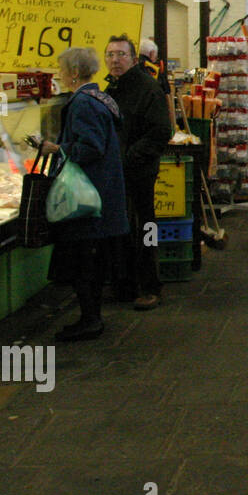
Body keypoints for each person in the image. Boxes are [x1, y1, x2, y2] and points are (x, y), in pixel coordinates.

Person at [39, 48, 129, 341]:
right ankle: (92, 317)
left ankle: (90, 320)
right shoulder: (101, 97)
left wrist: (56, 148)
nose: (60, 74)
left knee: (83, 262)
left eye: (62, 68)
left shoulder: (82, 104)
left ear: (74, 73)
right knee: (92, 260)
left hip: (87, 197)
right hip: (103, 192)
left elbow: (90, 147)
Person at [104, 34, 172, 310]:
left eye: (121, 54)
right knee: (125, 228)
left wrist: (130, 158)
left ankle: (150, 285)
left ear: (133, 59)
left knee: (146, 226)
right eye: (110, 54)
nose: (115, 60)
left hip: (140, 171)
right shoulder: (112, 89)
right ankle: (127, 283)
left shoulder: (147, 88)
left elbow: (161, 131)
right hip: (118, 172)